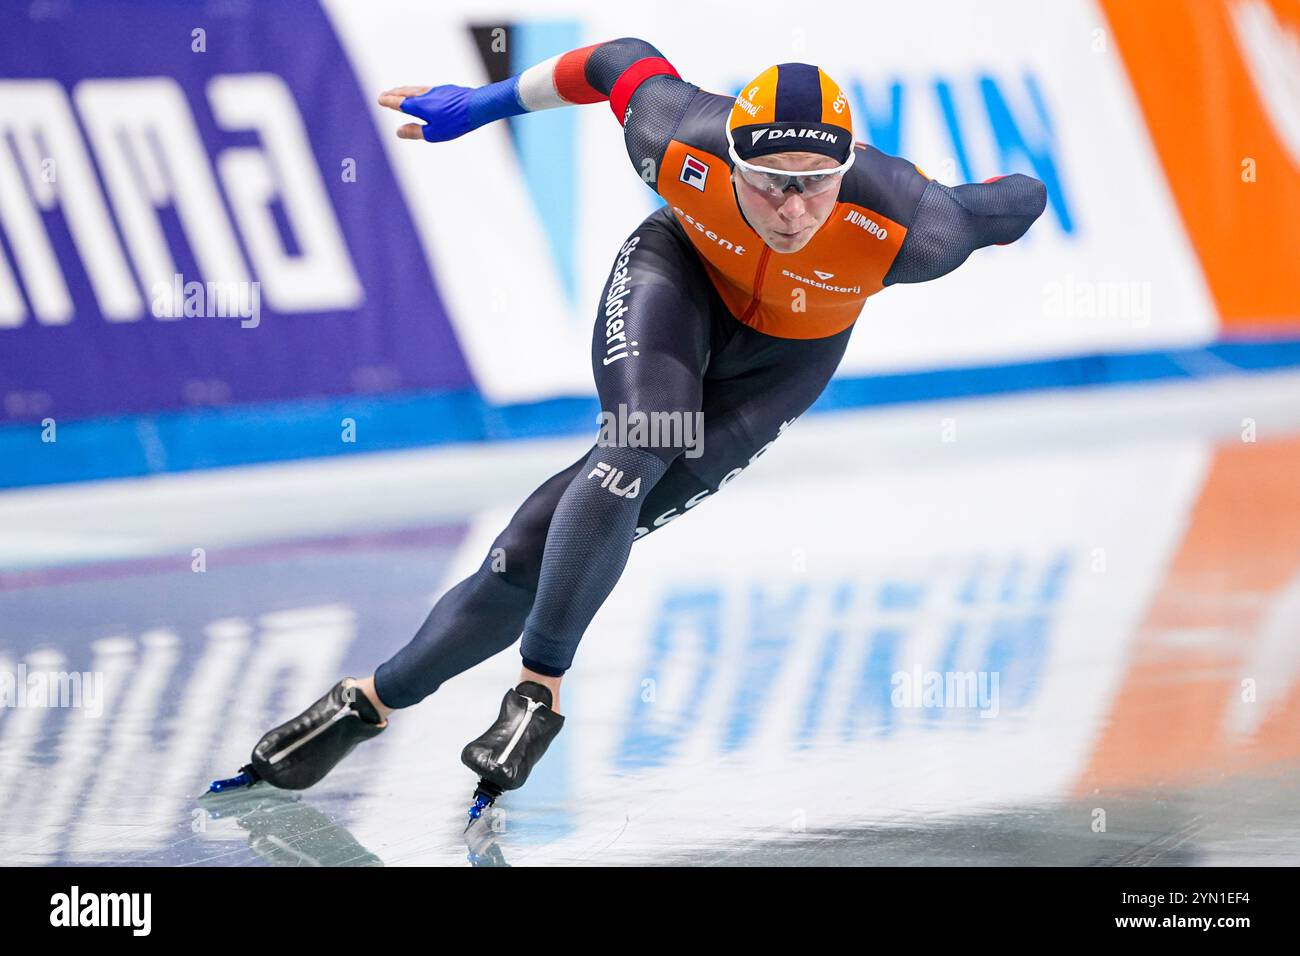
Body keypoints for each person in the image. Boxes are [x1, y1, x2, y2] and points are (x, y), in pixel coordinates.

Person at [219, 37, 1047, 802]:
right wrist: (485, 103)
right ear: (729, 159)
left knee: (527, 559)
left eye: (815, 185)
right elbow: (617, 62)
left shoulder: (917, 226)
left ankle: (370, 700)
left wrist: (1000, 211)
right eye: (768, 184)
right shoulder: (677, 133)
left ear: (846, 165)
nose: (793, 211)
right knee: (642, 439)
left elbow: (1018, 199)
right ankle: (536, 695)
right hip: (676, 282)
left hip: (781, 368)